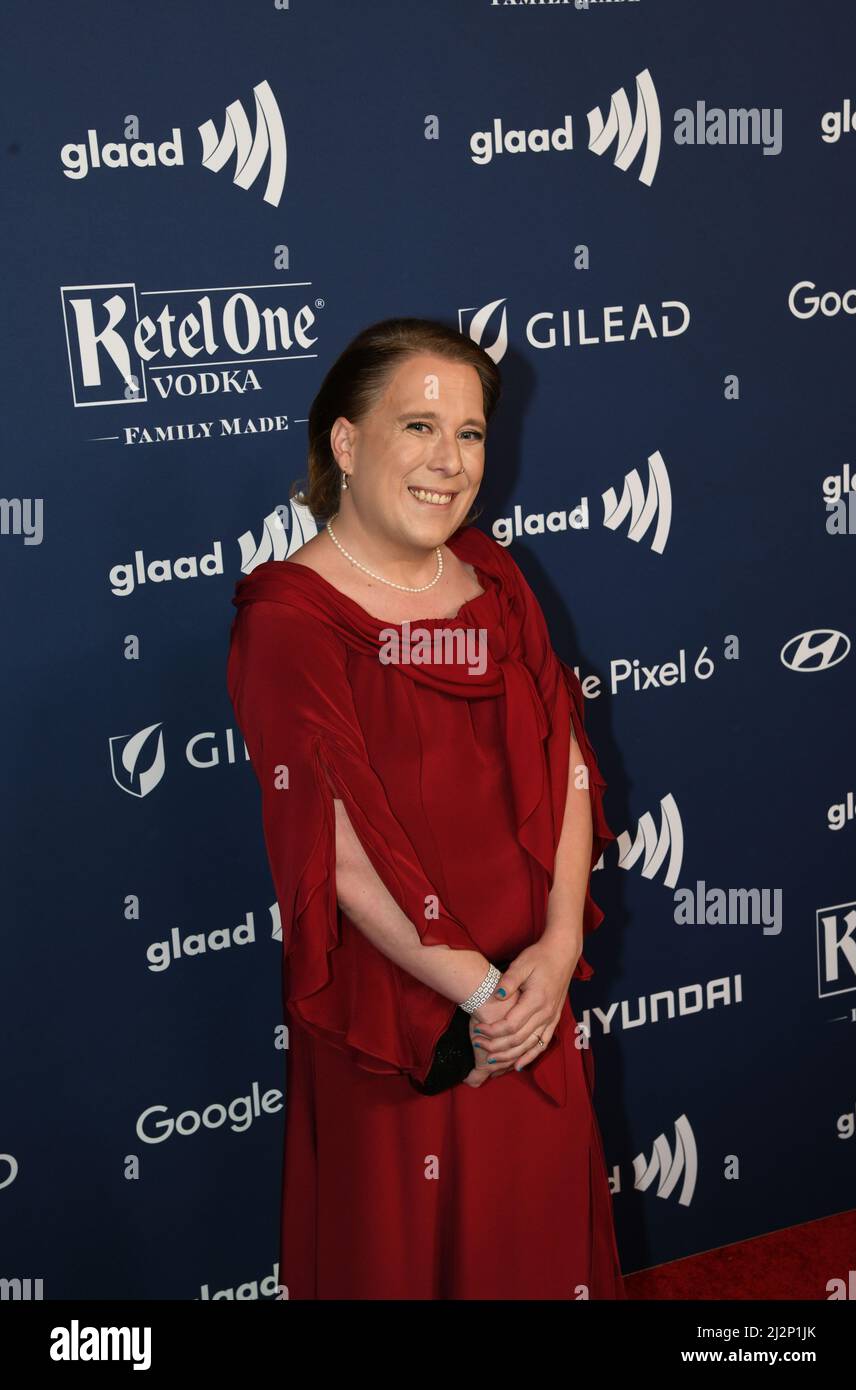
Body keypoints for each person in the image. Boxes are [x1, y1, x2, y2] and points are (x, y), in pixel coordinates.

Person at [226, 317, 626, 1300]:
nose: (449, 462)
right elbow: (337, 854)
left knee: (530, 1252)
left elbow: (566, 760)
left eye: (472, 434)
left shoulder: (497, 576)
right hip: (406, 1019)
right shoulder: (288, 619)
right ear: (346, 442)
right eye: (417, 426)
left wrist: (555, 947)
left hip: (529, 991)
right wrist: (479, 997)